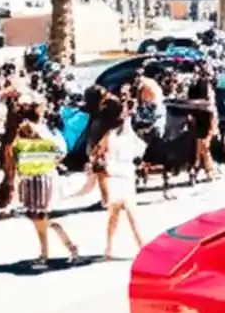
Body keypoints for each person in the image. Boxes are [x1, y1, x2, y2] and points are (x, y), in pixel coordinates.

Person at [12, 103, 79, 268]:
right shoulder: (47, 132)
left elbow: (17, 160)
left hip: (33, 181)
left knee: (40, 219)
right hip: (46, 178)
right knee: (44, 218)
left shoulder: (23, 135)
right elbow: (60, 154)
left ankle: (49, 252)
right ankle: (63, 249)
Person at [95, 99, 145, 260]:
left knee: (114, 213)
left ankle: (109, 247)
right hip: (125, 174)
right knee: (131, 213)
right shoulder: (125, 131)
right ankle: (142, 246)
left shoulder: (108, 134)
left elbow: (98, 153)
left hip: (114, 174)